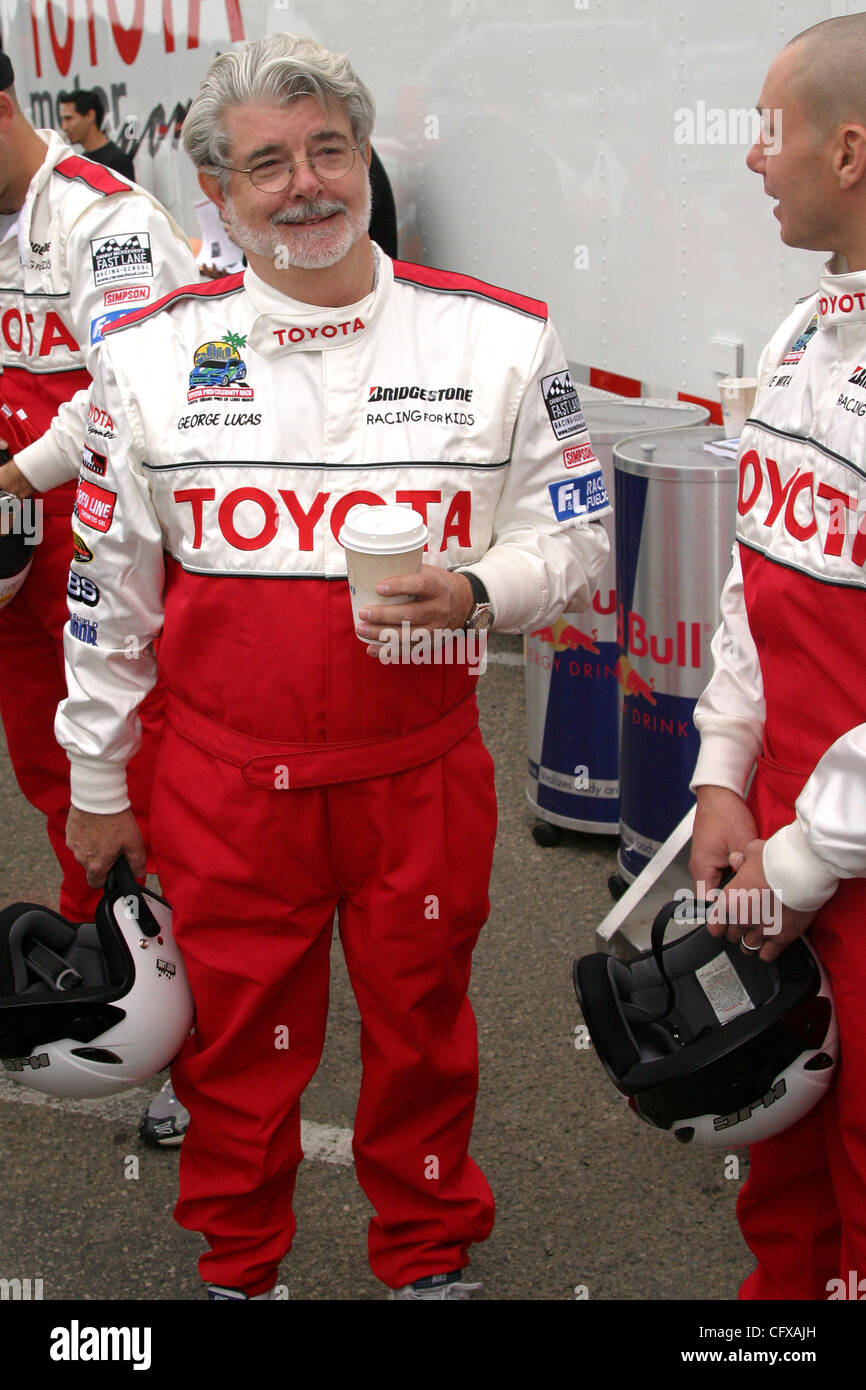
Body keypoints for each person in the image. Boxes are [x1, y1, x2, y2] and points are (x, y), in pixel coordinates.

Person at [59, 32, 610, 1301]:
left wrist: (478, 589)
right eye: (265, 164)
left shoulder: (501, 339)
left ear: (364, 157)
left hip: (416, 775)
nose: (302, 183)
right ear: (221, 193)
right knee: (237, 1046)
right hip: (222, 781)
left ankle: (424, 1258)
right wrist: (97, 777)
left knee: (422, 1028)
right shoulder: (147, 356)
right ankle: (237, 1269)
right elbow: (109, 596)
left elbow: (573, 539)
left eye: (325, 149)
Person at [689, 13, 866, 1301]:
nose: (753, 159)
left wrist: (796, 862)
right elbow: (754, 576)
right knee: (783, 1165)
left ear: (848, 150)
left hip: (825, 861)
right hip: (785, 847)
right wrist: (719, 773)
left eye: (771, 127)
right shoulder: (805, 332)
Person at [0, 53, 198, 921]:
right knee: (50, 763)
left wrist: (14, 475)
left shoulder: (106, 215)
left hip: (103, 531)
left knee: (132, 762)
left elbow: (133, 385)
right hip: (13, 540)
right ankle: (96, 942)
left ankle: (162, 958)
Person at [57, 89, 136, 182]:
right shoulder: (83, 161)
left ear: (90, 115)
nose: (64, 127)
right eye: (62, 120)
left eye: (69, 118)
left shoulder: (117, 161)